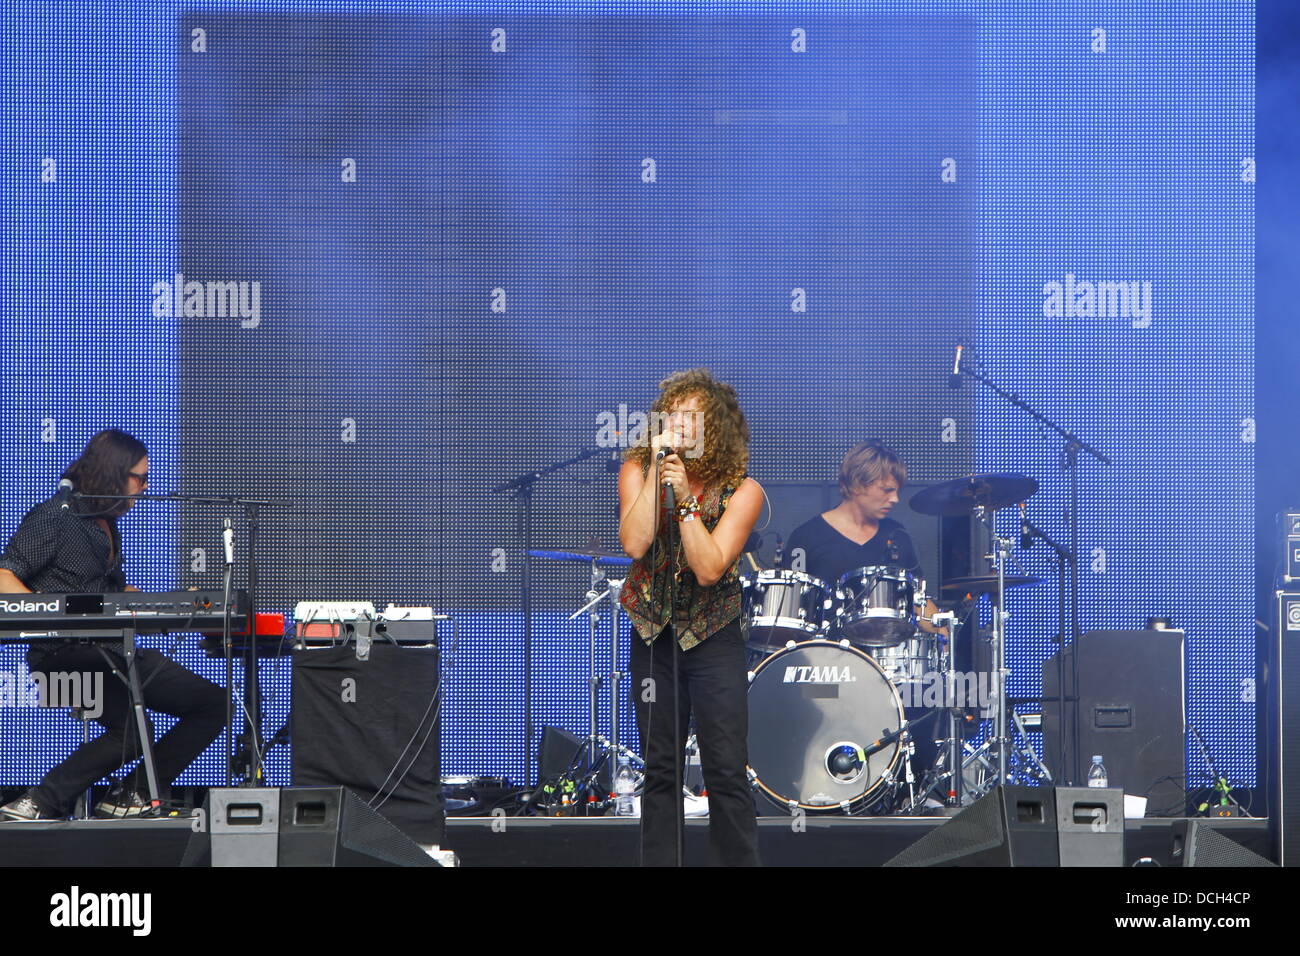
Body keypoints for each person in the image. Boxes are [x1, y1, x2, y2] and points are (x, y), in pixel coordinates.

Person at [0, 429, 227, 821]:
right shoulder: (54, 517)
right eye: (140, 478)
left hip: (109, 650)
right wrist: (58, 617)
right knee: (133, 731)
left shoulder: (104, 526)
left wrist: (172, 604)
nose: (145, 487)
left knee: (212, 705)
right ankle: (41, 801)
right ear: (114, 474)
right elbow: (5, 578)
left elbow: (116, 594)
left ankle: (128, 795)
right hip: (62, 657)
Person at [618, 368, 763, 866]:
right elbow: (635, 543)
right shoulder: (639, 469)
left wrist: (684, 500)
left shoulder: (742, 491)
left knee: (725, 767)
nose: (677, 425)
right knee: (661, 768)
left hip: (713, 634)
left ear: (714, 427)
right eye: (672, 414)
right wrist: (659, 476)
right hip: (654, 631)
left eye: (690, 417)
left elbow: (707, 569)